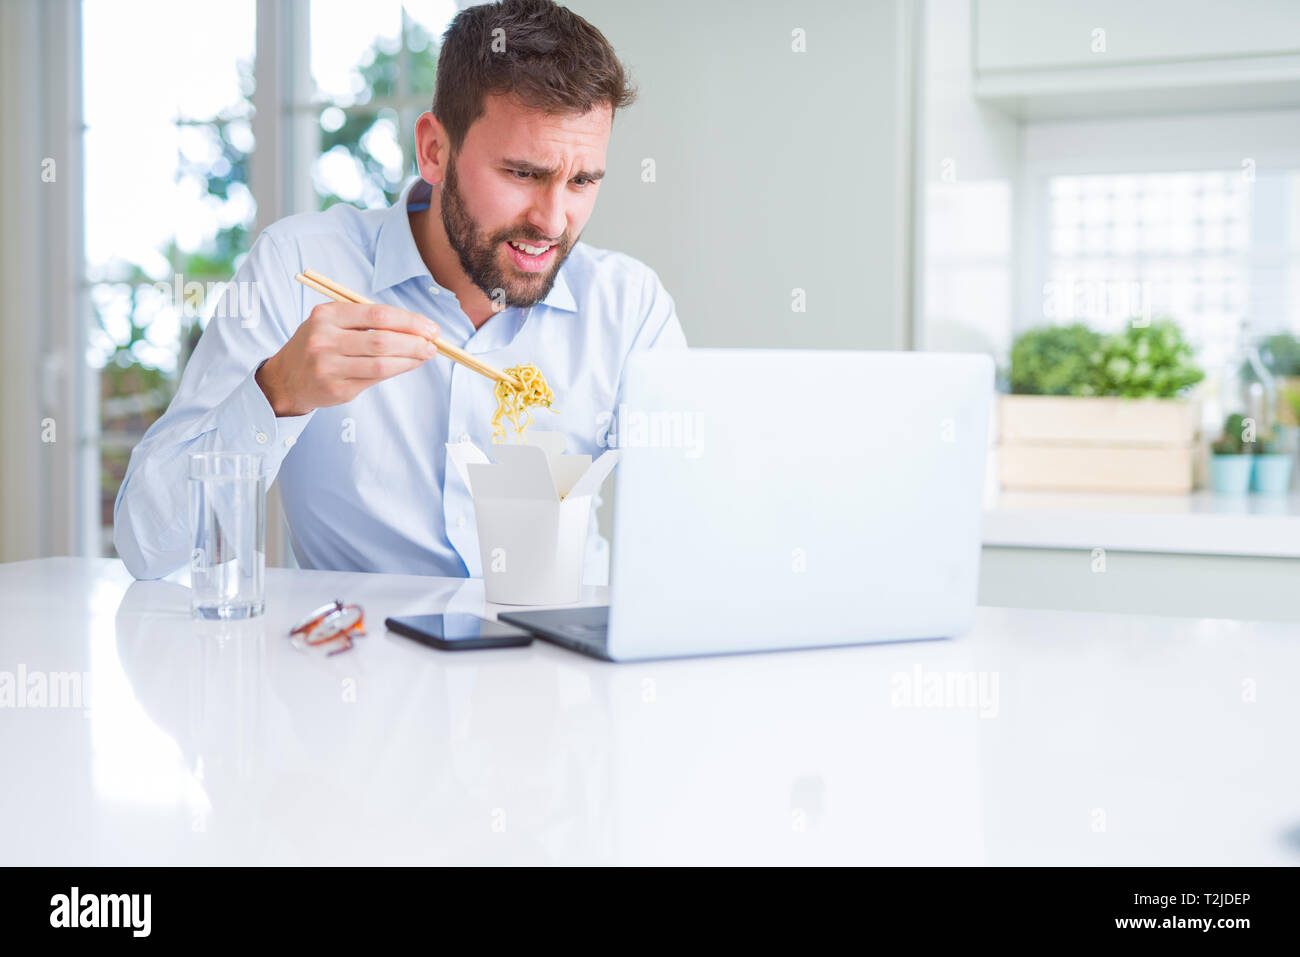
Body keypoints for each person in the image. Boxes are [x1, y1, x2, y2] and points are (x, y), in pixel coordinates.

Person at [114, 0, 686, 582]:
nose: (553, 221)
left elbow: (691, 526)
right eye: (523, 174)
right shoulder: (300, 265)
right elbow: (147, 544)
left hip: (560, 662)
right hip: (358, 662)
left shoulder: (628, 307)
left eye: (582, 180)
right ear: (435, 150)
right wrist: (278, 392)